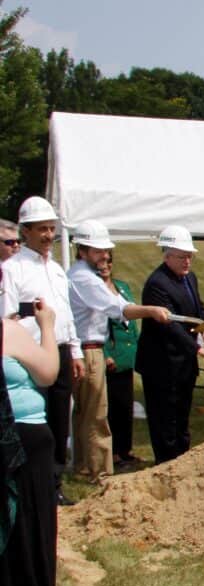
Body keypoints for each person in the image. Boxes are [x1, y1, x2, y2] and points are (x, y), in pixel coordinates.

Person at [1, 300, 77, 586]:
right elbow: (48, 372)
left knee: (16, 534)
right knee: (30, 534)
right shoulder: (8, 332)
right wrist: (47, 324)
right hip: (24, 442)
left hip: (12, 443)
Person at [67, 221, 170, 480]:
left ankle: (84, 467)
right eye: (98, 251)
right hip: (90, 350)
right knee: (96, 415)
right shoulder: (83, 278)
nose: (104, 256)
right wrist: (151, 311)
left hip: (88, 348)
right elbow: (118, 309)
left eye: (105, 251)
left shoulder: (85, 275)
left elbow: (121, 303)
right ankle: (98, 471)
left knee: (85, 414)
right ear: (82, 250)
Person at [0, 197, 83, 506]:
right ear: (27, 232)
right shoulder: (12, 270)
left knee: (61, 418)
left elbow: (66, 312)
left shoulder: (58, 270)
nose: (49, 236)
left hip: (59, 349)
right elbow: (8, 316)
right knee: (39, 418)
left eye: (51, 229)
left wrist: (74, 351)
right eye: (42, 230)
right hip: (31, 354)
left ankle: (54, 482)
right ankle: (35, 479)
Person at [136, 225, 204, 464]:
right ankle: (167, 464)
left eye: (190, 256)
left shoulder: (189, 278)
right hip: (162, 365)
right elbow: (169, 326)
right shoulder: (157, 284)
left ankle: (182, 461)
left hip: (183, 365)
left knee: (181, 417)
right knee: (165, 421)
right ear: (167, 255)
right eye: (182, 256)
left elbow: (197, 306)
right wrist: (197, 348)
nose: (187, 261)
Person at [99, 253, 142, 470]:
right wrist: (105, 353)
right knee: (112, 407)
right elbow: (95, 326)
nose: (105, 266)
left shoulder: (121, 286)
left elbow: (131, 319)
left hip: (127, 353)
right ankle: (114, 453)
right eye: (102, 263)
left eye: (109, 262)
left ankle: (126, 449)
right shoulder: (94, 289)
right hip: (110, 354)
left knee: (126, 405)